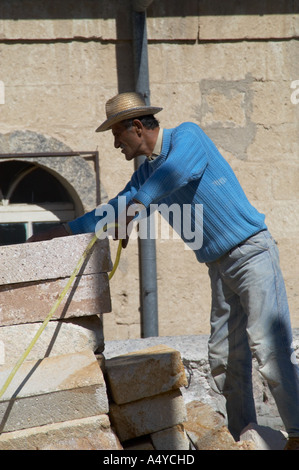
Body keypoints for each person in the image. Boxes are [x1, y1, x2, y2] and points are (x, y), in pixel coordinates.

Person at [28, 91, 299, 449]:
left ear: (137, 127)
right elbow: (111, 211)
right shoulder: (145, 177)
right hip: (219, 266)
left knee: (269, 346)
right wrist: (57, 232)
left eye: (116, 134)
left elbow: (176, 172)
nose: (114, 145)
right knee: (223, 357)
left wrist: (137, 206)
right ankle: (242, 436)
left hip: (251, 253)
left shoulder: (188, 138)